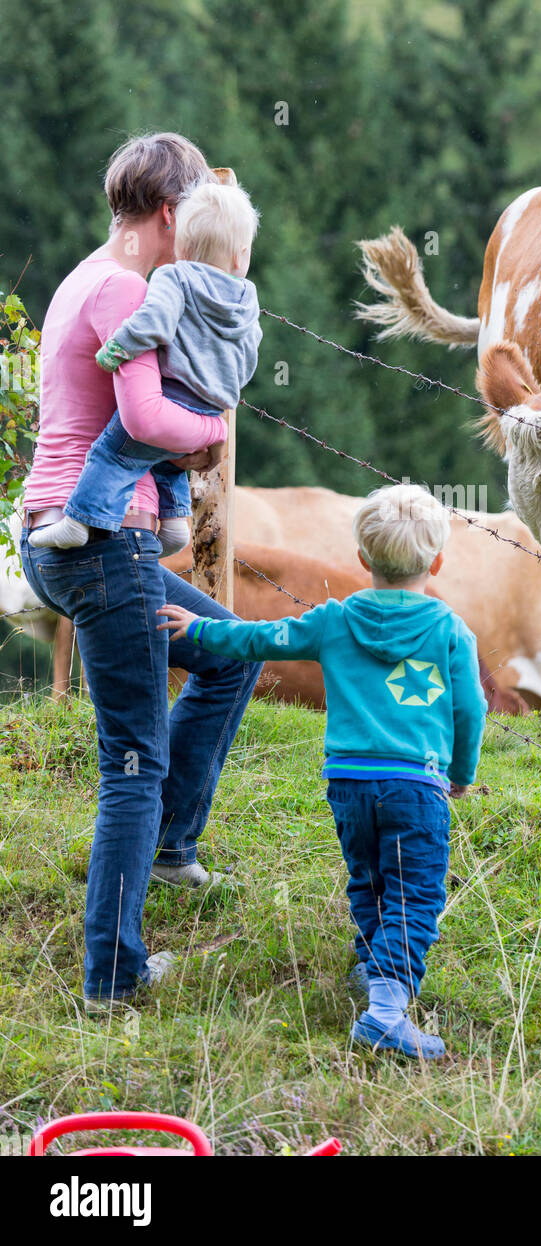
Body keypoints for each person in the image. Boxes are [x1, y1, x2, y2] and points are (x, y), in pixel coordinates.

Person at [20, 133, 263, 1012]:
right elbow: (149, 418)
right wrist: (214, 430)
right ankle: (112, 974)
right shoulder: (129, 288)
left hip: (53, 535)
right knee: (132, 757)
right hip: (102, 544)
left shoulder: (82, 274)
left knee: (231, 653)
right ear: (170, 214)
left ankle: (169, 846)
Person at [158, 483, 488, 1060]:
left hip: (349, 784)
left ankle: (371, 963)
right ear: (437, 561)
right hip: (417, 786)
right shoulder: (450, 632)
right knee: (416, 894)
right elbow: (470, 709)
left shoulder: (332, 620)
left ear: (362, 560)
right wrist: (461, 771)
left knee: (369, 877)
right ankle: (386, 1013)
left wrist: (200, 627)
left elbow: (260, 638)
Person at [30, 179, 262, 556]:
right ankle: (174, 522)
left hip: (173, 394)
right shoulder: (246, 297)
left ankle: (77, 519)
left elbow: (153, 323)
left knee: (112, 453)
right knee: (167, 461)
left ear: (182, 246)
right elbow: (250, 350)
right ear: (241, 255)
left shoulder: (173, 277)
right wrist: (224, 397)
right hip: (213, 400)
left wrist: (117, 349)